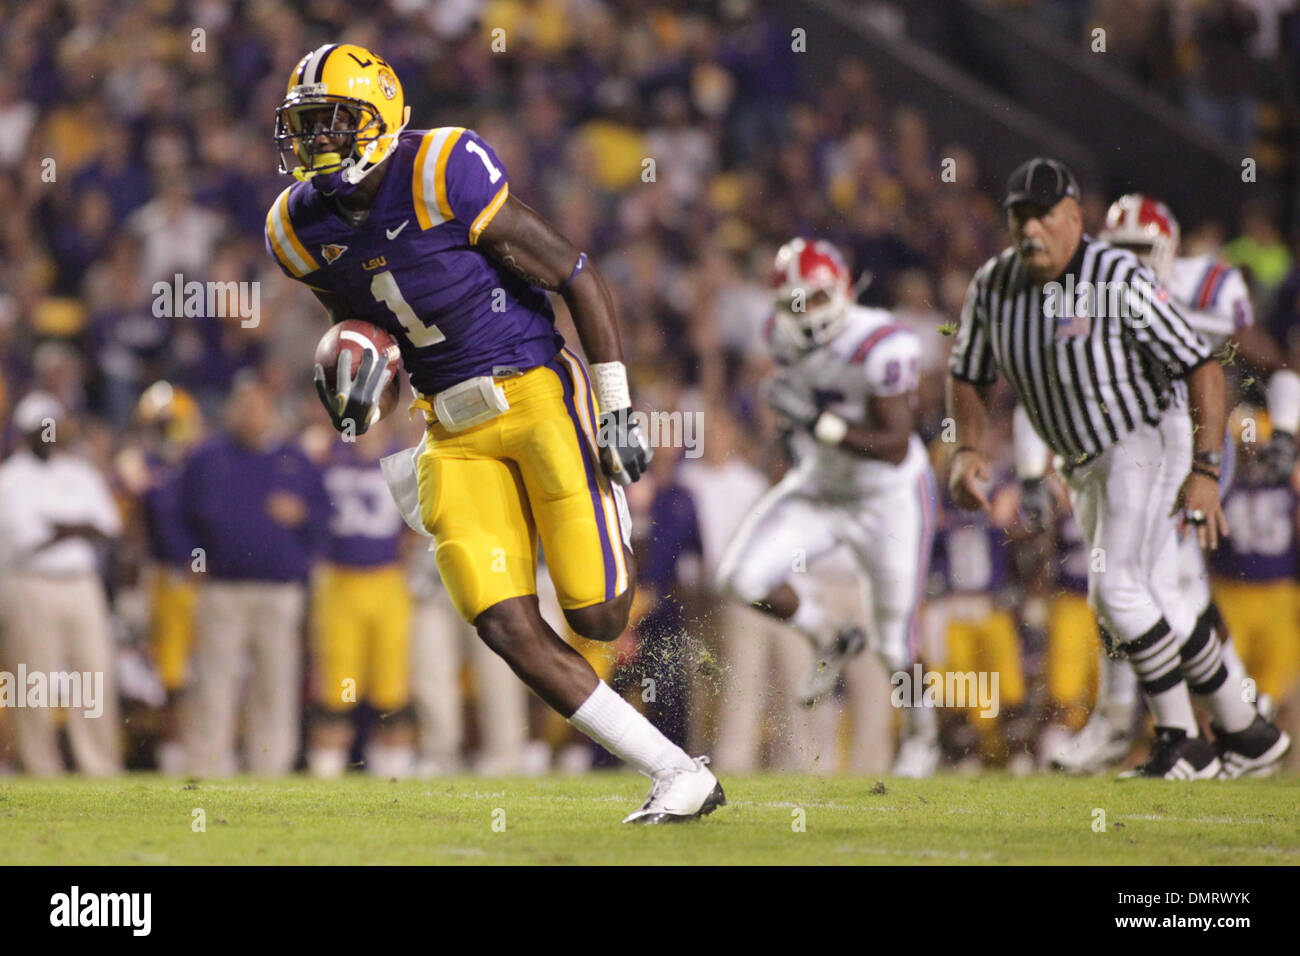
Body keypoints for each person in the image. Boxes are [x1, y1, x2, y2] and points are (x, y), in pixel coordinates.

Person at [265, 44, 721, 821]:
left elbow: (575, 271)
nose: (316, 144)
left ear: (378, 118)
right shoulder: (297, 228)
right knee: (508, 625)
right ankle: (680, 774)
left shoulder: (442, 167)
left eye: (332, 123)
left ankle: (596, 524)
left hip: (537, 393)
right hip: (447, 426)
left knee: (600, 615)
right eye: (305, 127)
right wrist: (354, 395)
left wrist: (615, 406)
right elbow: (368, 335)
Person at [948, 157, 1289, 778]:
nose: (1031, 230)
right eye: (1019, 217)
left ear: (1076, 219)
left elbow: (1203, 365)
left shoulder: (1119, 276)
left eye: (1044, 217)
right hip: (1082, 462)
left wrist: (1207, 470)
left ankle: (1180, 741)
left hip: (1147, 441)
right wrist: (968, 449)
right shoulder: (995, 286)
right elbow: (968, 372)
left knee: (1117, 589)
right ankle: (1246, 732)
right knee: (1155, 596)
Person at [716, 237, 940, 775]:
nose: (806, 314)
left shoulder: (883, 343)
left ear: (842, 290)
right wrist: (793, 437)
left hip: (887, 495)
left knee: (894, 639)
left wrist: (817, 423)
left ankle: (921, 735)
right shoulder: (779, 339)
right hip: (821, 484)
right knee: (740, 579)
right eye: (795, 303)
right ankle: (828, 633)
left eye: (815, 299)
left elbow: (893, 445)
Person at [180, 375, 330, 775]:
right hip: (221, 589)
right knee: (213, 681)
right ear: (231, 410)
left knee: (276, 684)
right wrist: (192, 560)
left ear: (272, 411)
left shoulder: (296, 460)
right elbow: (175, 516)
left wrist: (302, 521)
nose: (251, 415)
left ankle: (271, 766)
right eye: (244, 406)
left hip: (280, 591)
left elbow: (324, 519)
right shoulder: (206, 457)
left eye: (259, 406)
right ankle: (207, 764)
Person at [0, 391, 123, 775]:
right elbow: (24, 538)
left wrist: (63, 527)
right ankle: (39, 767)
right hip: (29, 582)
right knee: (32, 680)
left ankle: (100, 766)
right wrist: (78, 526)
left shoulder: (80, 471)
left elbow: (108, 526)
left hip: (81, 583)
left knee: (94, 675)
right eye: (42, 427)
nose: (50, 433)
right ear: (26, 432)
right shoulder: (10, 478)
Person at [308, 418, 416, 778]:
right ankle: (327, 770)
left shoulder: (401, 462)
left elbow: (415, 526)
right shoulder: (326, 458)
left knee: (391, 687)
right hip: (340, 580)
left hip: (387, 579)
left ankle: (393, 772)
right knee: (337, 686)